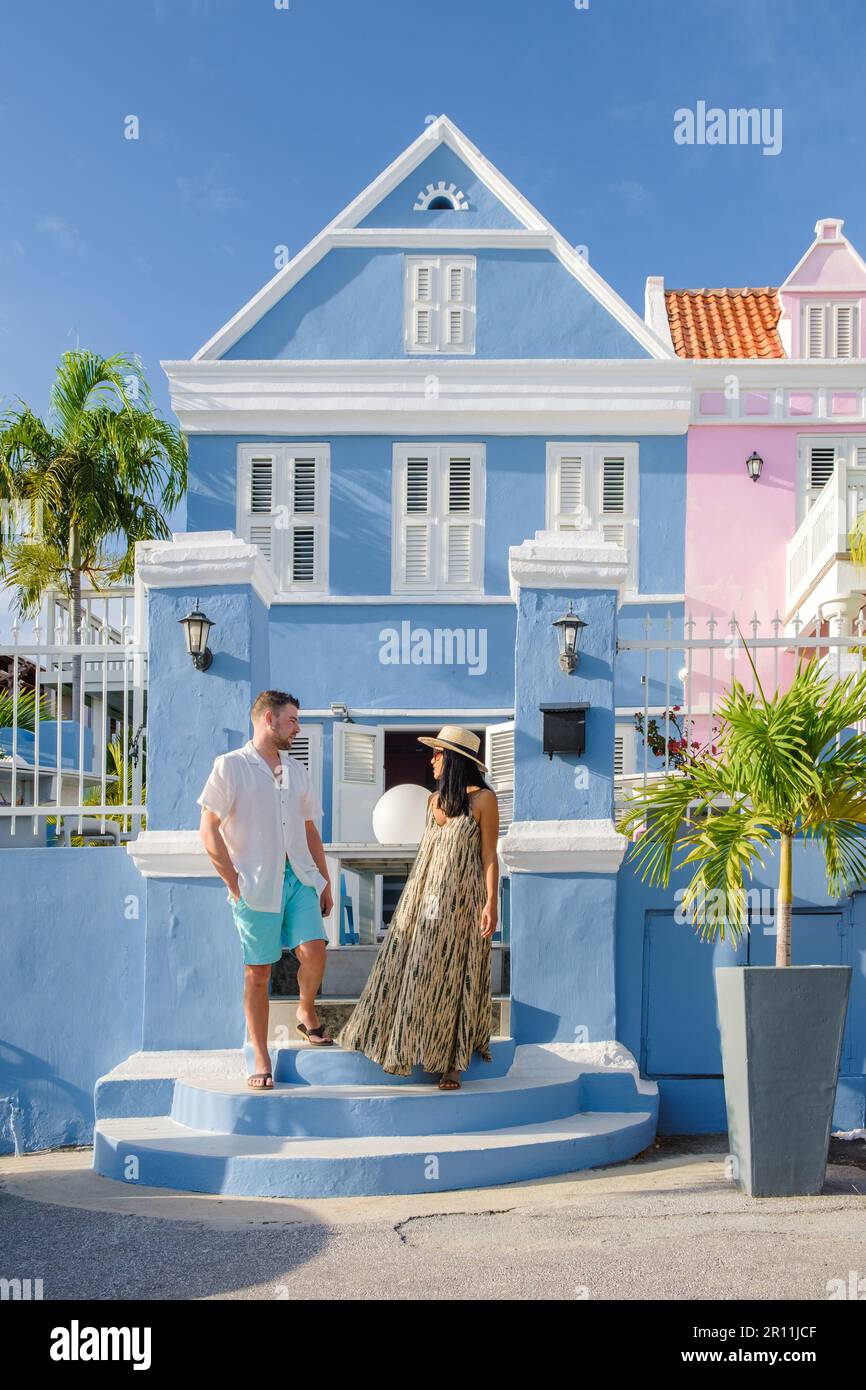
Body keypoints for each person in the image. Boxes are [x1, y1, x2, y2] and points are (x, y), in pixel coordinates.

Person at [335, 726, 499, 1090]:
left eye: (438, 754)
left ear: (454, 759)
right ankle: (404, 1043)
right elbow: (427, 855)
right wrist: (413, 901)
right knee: (417, 968)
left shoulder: (484, 801)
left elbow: (489, 856)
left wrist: (492, 902)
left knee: (456, 974)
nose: (432, 760)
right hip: (426, 897)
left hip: (464, 901)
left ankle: (452, 1064)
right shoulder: (433, 802)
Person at [197, 690, 335, 1090]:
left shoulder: (297, 769)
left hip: (300, 878)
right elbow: (208, 829)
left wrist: (323, 881)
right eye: (292, 720)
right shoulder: (230, 767)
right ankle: (260, 1054)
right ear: (268, 720)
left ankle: (305, 1010)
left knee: (314, 951)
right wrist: (233, 882)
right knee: (258, 973)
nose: (298, 727)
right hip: (255, 883)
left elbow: (309, 828)